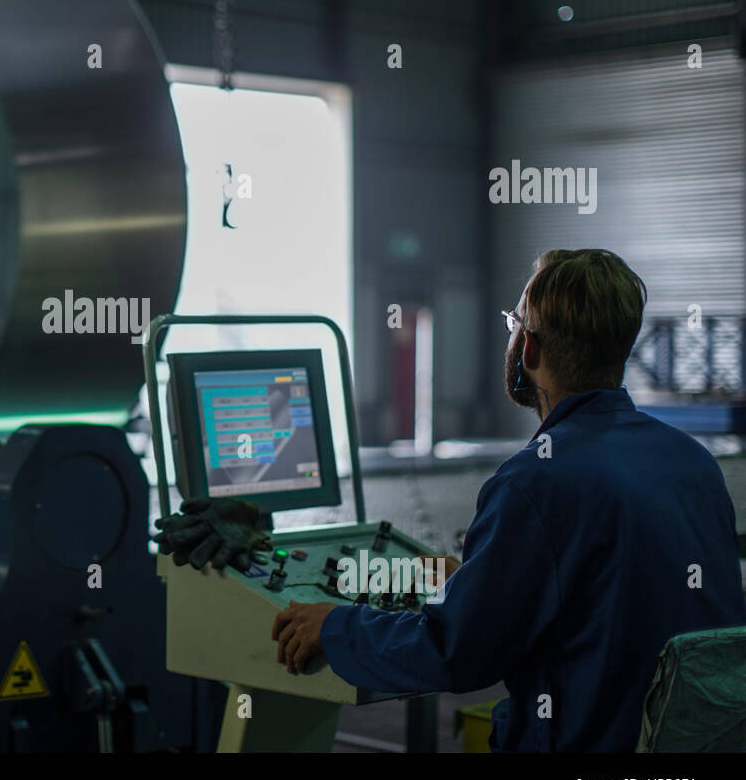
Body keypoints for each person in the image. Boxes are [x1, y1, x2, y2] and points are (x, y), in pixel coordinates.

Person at [157, 249, 746, 751]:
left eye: (515, 322)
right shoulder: (690, 462)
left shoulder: (535, 482)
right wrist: (438, 577)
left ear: (531, 348)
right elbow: (582, 587)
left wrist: (337, 628)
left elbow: (458, 651)